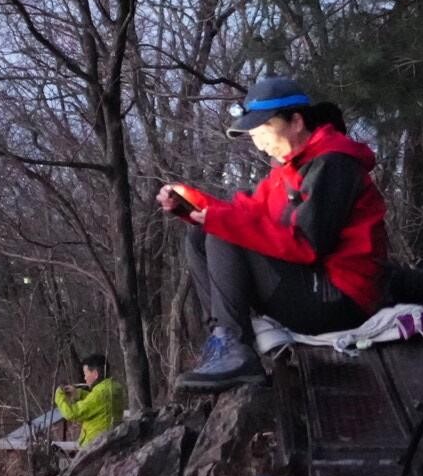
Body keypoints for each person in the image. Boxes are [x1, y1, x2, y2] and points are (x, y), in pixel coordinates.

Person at [158, 75, 389, 393]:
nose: (259, 142)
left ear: (296, 122)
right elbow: (249, 213)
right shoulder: (288, 170)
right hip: (309, 285)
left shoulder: (334, 164)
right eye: (253, 135)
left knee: (225, 231)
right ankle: (224, 341)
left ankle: (235, 347)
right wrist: (190, 205)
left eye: (264, 129)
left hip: (340, 298)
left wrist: (220, 222)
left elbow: (307, 244)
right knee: (198, 237)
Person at [53, 352, 127, 448]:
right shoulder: (112, 388)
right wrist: (79, 394)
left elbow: (72, 413)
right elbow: (98, 404)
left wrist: (59, 396)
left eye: (86, 373)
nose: (85, 378)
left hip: (94, 446)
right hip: (106, 441)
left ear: (95, 374)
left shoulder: (100, 393)